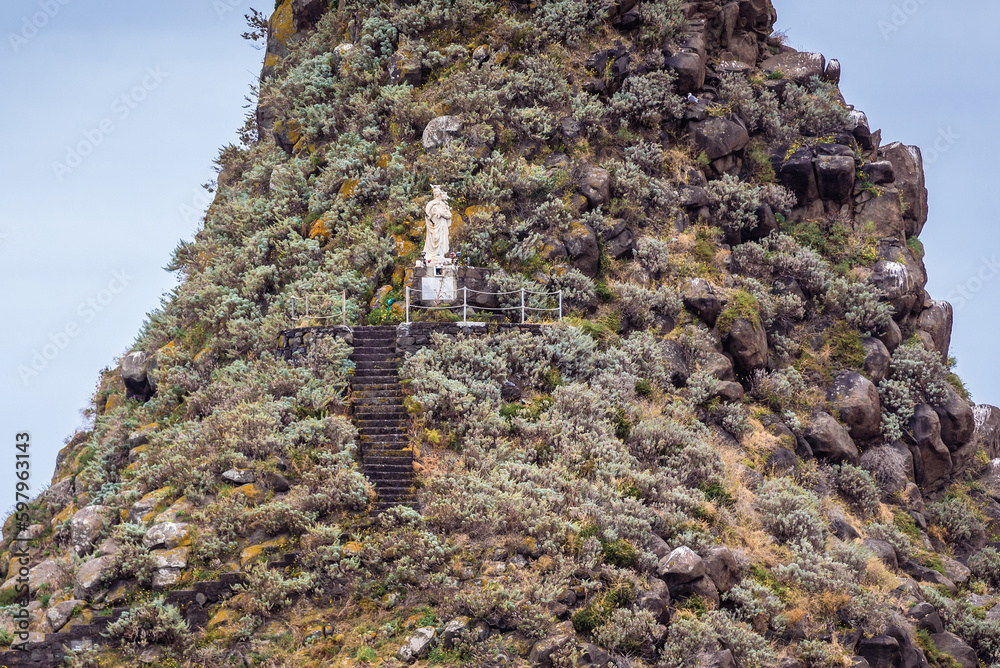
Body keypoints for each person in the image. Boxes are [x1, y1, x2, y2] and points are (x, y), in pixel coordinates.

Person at [422, 185, 452, 265]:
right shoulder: (431, 204)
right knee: (435, 238)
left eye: (437, 192)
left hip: (442, 224)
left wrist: (441, 213)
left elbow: (449, 215)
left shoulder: (444, 204)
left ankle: (440, 255)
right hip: (434, 225)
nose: (436, 194)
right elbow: (428, 216)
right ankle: (432, 256)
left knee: (442, 239)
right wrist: (431, 216)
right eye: (434, 192)